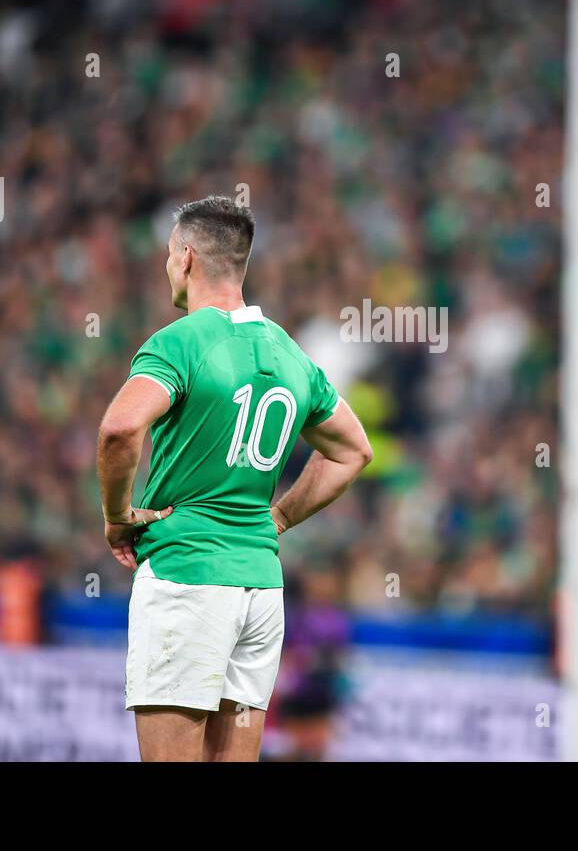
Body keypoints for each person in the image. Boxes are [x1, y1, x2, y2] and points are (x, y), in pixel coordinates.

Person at [97, 195, 372, 762]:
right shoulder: (290, 354)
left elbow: (120, 430)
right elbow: (353, 451)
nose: (168, 267)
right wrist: (278, 517)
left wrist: (117, 518)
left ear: (188, 257)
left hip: (188, 575)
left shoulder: (182, 341)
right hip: (260, 588)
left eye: (170, 255)